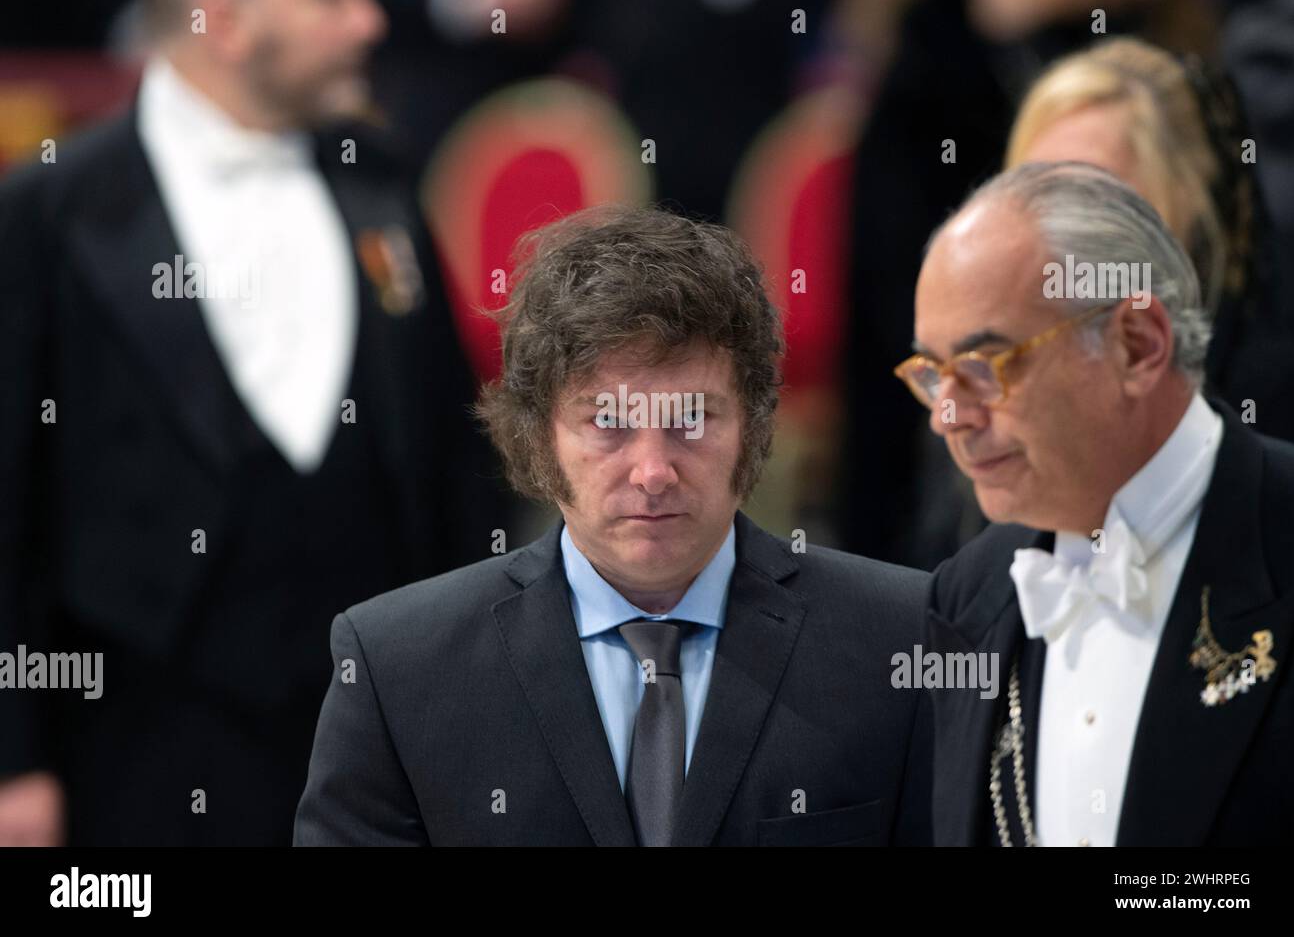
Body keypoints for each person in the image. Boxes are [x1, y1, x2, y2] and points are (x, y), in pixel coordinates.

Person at [0, 0, 504, 845]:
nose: (371, 21)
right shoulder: (51, 209)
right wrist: (13, 761)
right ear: (224, 23)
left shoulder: (380, 173)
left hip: (373, 732)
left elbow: (454, 456)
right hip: (138, 743)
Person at [294, 205, 934, 846]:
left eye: (692, 419)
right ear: (541, 437)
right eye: (608, 422)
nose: (653, 471)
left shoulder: (901, 640)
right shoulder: (395, 664)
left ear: (754, 427)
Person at [902, 161, 1294, 846]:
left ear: (1137, 345)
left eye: (984, 367)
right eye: (932, 372)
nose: (948, 415)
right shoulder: (967, 593)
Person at [1007, 36, 1294, 444]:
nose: (1063, 233)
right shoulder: (988, 385)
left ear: (1191, 200)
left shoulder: (1270, 401)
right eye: (1038, 196)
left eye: (1097, 198)